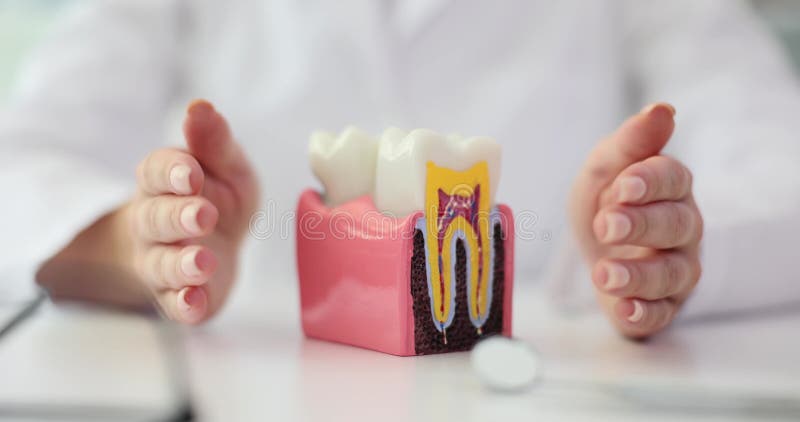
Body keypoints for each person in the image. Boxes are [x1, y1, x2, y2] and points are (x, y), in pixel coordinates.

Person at [1, 0, 798, 338]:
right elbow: (20, 161)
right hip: (255, 374)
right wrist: (139, 244)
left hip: (543, 376)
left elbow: (781, 161)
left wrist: (660, 244)